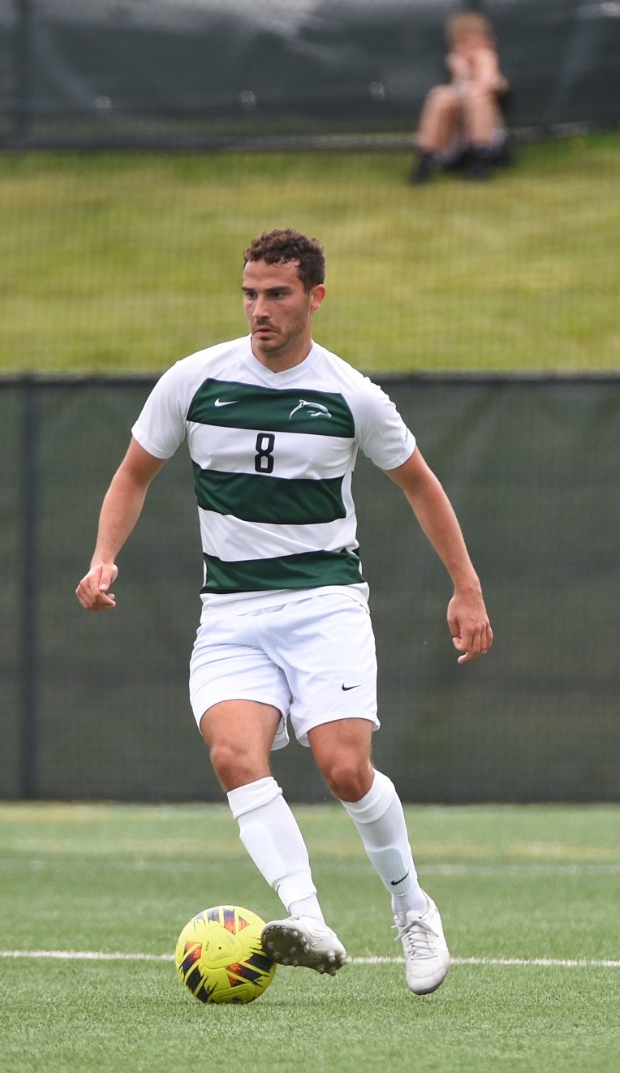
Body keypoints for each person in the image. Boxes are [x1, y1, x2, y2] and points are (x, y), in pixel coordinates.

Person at [75, 228, 493, 994]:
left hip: (326, 605)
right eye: (249, 293)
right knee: (235, 756)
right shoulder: (194, 381)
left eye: (277, 294)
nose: (259, 309)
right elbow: (134, 473)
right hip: (231, 613)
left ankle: (410, 904)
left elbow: (421, 485)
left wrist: (465, 587)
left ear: (315, 298)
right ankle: (309, 918)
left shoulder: (352, 396)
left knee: (344, 769)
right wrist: (104, 556)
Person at [408, 10, 510, 184]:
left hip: (486, 144)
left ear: (486, 42)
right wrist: (461, 71)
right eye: (460, 44)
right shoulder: (457, 64)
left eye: (472, 44)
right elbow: (458, 90)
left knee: (477, 97)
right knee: (439, 97)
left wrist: (477, 68)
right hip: (452, 145)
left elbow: (488, 83)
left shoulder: (488, 59)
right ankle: (424, 160)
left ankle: (480, 164)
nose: (466, 50)